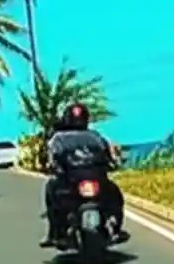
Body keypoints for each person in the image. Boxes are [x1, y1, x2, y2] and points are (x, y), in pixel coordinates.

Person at [41, 103, 129, 247]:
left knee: (51, 190)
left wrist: (51, 167)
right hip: (95, 180)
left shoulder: (58, 138)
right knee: (115, 196)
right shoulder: (95, 136)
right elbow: (109, 156)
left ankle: (54, 232)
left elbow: (52, 158)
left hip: (72, 182)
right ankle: (116, 227)